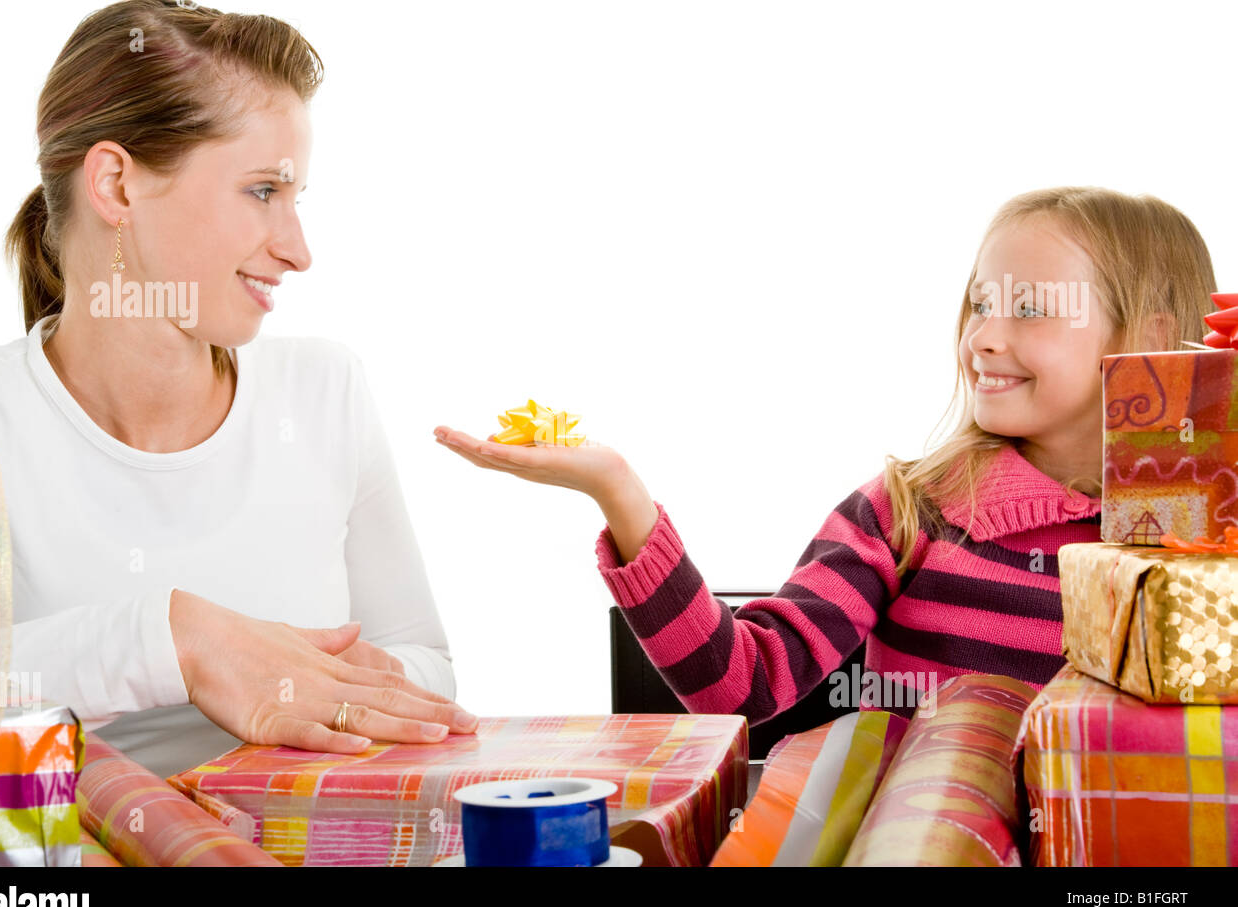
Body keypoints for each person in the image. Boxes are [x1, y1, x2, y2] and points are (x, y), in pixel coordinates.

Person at [436, 186, 1216, 722]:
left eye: (1030, 310)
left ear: (1150, 339)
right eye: (980, 302)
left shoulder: (1208, 537)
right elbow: (742, 685)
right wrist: (618, 491)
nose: (984, 335)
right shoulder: (908, 512)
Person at [0, 0, 476, 778]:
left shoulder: (322, 391)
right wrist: (174, 639)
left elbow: (427, 665)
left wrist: (290, 696)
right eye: (260, 192)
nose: (298, 249)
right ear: (116, 183)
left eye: (296, 198)